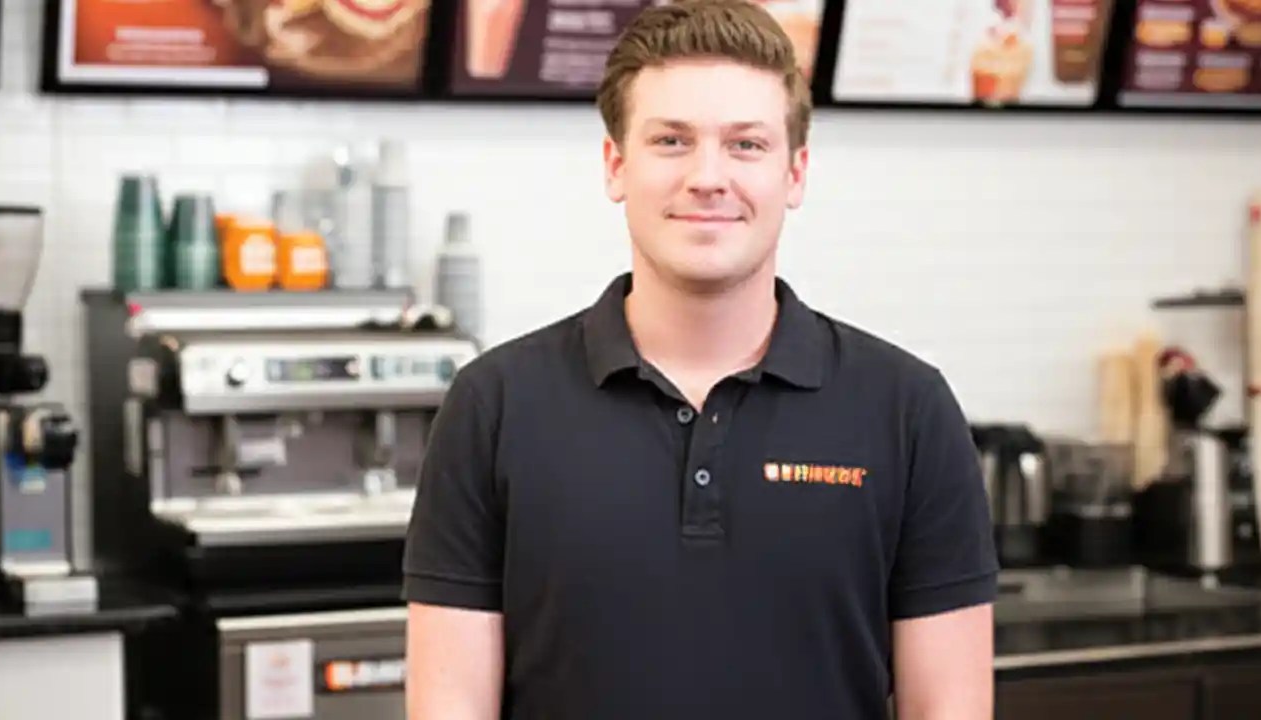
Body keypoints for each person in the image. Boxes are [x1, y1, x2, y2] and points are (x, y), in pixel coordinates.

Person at [401, 1, 999, 718]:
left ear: (796, 173)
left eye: (746, 144)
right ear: (616, 164)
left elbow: (950, 709)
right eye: (672, 141)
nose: (708, 177)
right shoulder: (493, 404)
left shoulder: (908, 409)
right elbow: (450, 705)